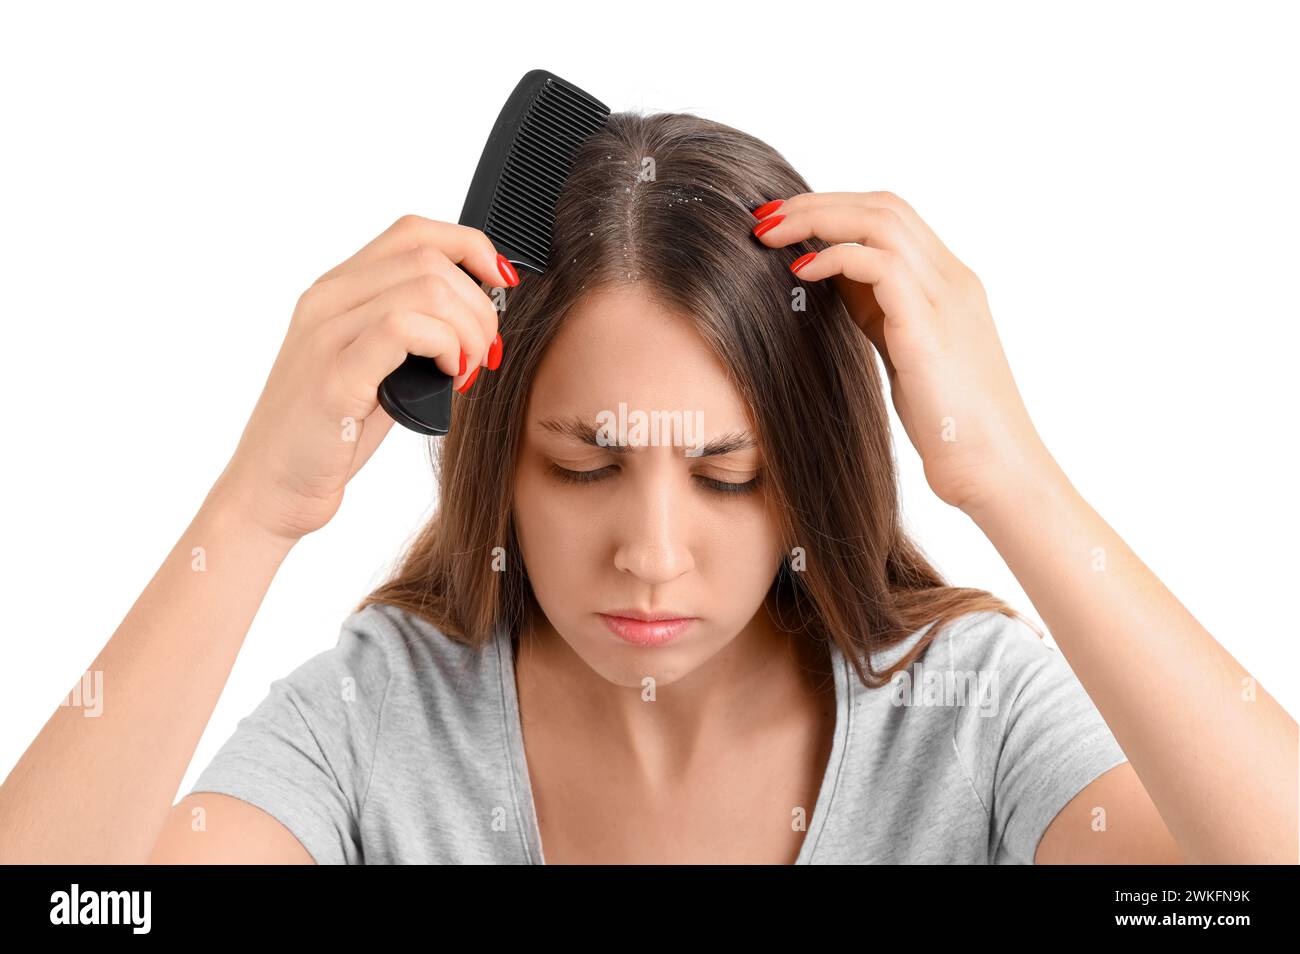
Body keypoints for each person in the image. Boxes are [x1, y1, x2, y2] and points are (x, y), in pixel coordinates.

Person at [1, 112, 1294, 864]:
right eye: (586, 464)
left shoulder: (965, 714)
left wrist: (1009, 475)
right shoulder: (378, 718)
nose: (652, 553)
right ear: (498, 455)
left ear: (808, 478)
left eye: (729, 475)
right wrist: (251, 509)